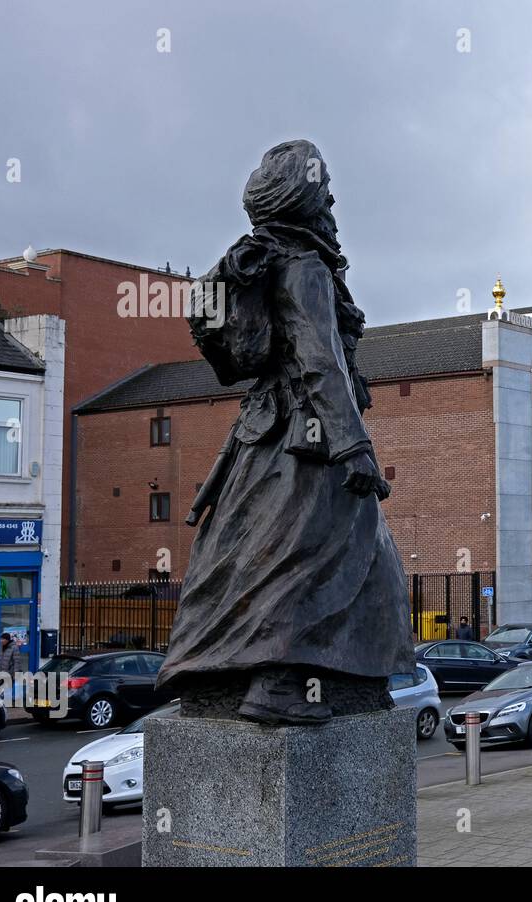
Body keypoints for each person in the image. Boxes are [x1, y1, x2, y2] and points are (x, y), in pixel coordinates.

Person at [158, 140, 412, 725]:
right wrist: (355, 448)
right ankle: (280, 683)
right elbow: (319, 361)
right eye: (324, 188)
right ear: (305, 200)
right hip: (308, 445)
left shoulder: (278, 262)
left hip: (263, 443)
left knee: (249, 558)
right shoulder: (305, 268)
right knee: (333, 564)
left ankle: (238, 679)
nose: (333, 198)